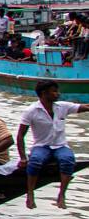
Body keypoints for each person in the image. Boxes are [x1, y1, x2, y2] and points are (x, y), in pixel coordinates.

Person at [17, 80, 89, 209]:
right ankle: (30, 193)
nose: (58, 94)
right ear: (44, 93)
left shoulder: (62, 107)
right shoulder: (31, 111)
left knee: (68, 160)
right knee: (35, 162)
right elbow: (20, 135)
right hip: (41, 146)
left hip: (60, 146)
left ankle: (61, 195)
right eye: (55, 91)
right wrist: (22, 157)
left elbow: (85, 107)